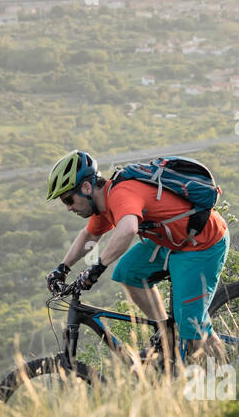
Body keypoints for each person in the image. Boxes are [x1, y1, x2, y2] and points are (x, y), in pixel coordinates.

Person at [44, 149, 229, 366]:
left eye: (68, 199)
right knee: (128, 272)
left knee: (191, 324)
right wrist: (63, 268)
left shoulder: (120, 194)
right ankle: (166, 335)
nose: (67, 207)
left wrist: (97, 267)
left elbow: (128, 230)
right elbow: (91, 235)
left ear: (86, 188)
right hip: (170, 241)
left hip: (202, 243)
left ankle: (228, 372)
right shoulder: (103, 205)